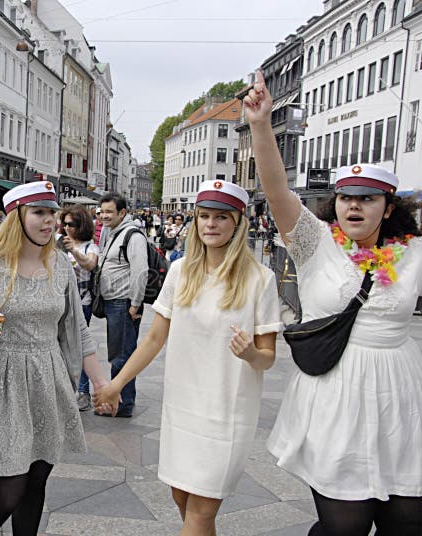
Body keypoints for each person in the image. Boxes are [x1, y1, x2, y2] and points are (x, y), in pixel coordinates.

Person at [245, 71, 422, 535]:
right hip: (335, 392)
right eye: (346, 198)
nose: (354, 207)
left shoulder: (416, 251)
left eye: (367, 199)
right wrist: (261, 126)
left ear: (389, 206)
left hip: (399, 392)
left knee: (406, 519)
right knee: (345, 523)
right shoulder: (313, 242)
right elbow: (277, 189)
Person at [95, 180, 281, 536]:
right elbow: (153, 338)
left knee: (199, 512)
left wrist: (252, 353)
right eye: (204, 216)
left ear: (238, 223)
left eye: (221, 218)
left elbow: (268, 358)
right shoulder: (181, 272)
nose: (210, 224)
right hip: (182, 407)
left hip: (227, 412)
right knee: (183, 501)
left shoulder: (261, 279)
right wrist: (116, 384)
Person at [0, 181, 111, 536]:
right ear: (16, 218)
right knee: (7, 492)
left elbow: (76, 330)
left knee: (37, 482)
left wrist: (102, 383)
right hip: (5, 380)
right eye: (39, 213)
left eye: (52, 213)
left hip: (50, 378)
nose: (49, 222)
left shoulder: (60, 264)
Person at [96, 193, 149, 418]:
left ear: (122, 213)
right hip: (113, 302)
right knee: (117, 353)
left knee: (122, 356)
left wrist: (135, 304)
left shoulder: (132, 235)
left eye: (109, 212)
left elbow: (140, 271)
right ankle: (119, 400)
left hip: (123, 302)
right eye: (102, 212)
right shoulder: (110, 232)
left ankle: (123, 404)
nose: (104, 216)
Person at [59, 205, 100, 412]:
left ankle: (83, 391)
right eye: (64, 224)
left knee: (79, 345)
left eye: (72, 224)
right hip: (58, 301)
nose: (67, 228)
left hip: (81, 301)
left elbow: (90, 264)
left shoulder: (89, 247)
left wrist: (73, 250)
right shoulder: (58, 241)